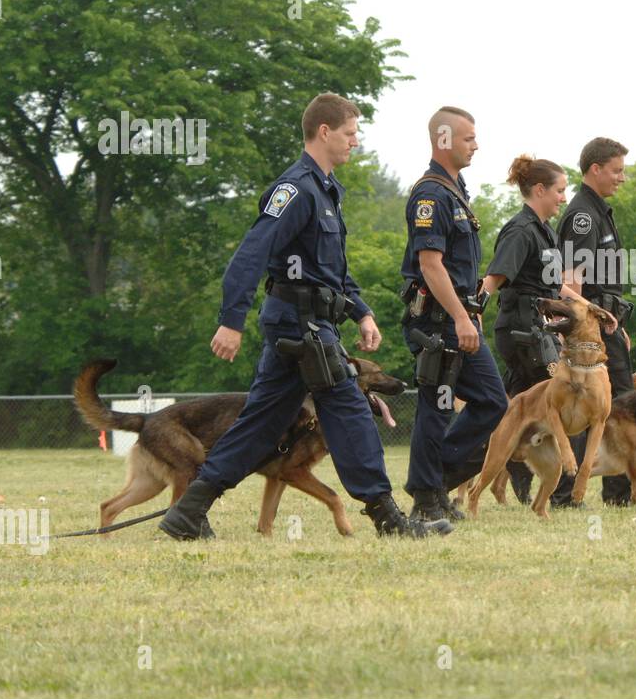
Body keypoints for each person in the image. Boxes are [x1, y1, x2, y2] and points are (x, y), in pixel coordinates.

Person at [159, 93, 451, 541]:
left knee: (259, 423)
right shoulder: (295, 189)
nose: (356, 142)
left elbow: (328, 271)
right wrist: (231, 319)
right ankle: (388, 518)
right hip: (301, 327)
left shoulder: (327, 191)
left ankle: (189, 511)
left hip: (309, 322)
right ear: (324, 132)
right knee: (351, 410)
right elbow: (251, 254)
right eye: (351, 134)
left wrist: (360, 311)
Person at [399, 106, 510, 523]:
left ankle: (433, 483)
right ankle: (428, 498)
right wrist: (460, 318)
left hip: (460, 315)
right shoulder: (430, 194)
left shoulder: (456, 188)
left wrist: (471, 312)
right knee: (437, 404)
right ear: (443, 140)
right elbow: (431, 264)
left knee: (491, 401)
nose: (476, 145)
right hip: (436, 320)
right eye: (468, 138)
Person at [481, 155, 590, 507]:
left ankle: (491, 480)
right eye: (559, 190)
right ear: (539, 189)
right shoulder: (520, 229)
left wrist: (591, 311)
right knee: (563, 396)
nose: (563, 198)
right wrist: (471, 313)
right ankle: (561, 493)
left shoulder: (545, 231)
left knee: (513, 413)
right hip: (522, 332)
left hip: (536, 329)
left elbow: (555, 287)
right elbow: (495, 278)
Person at [557, 137, 636, 507]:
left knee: (613, 405)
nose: (622, 178)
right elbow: (569, 286)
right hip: (593, 330)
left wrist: (616, 324)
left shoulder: (599, 211)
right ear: (596, 169)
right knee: (609, 407)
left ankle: (615, 492)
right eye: (617, 170)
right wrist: (602, 323)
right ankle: (582, 495)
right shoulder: (584, 215)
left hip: (606, 325)